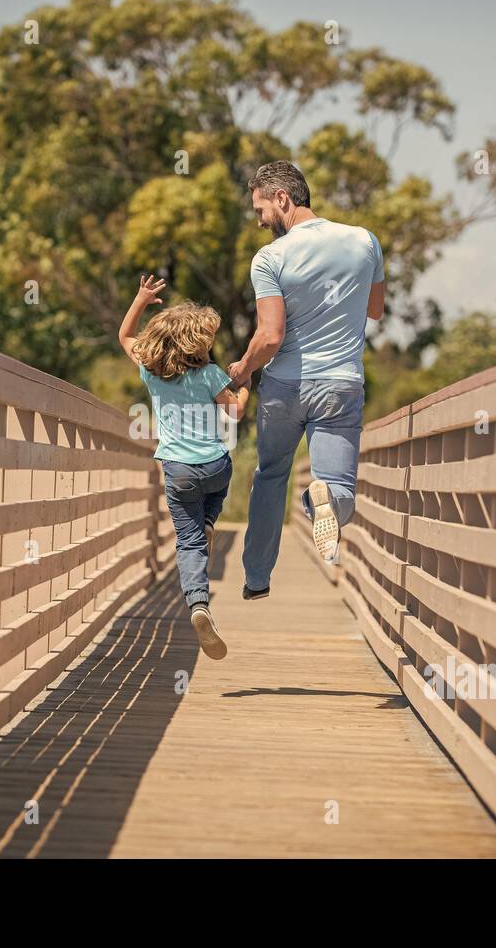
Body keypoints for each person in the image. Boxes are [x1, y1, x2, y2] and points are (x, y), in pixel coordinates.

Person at [226, 161, 386, 599]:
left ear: (283, 198)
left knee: (271, 474)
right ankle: (325, 500)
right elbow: (375, 311)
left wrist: (243, 368)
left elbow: (271, 335)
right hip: (339, 383)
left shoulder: (270, 258)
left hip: (283, 387)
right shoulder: (365, 242)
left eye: (260, 210)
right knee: (341, 492)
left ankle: (257, 579)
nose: (260, 222)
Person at [119, 274, 250, 660]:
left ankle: (198, 604)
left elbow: (125, 336)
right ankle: (211, 518)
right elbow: (237, 412)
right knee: (223, 475)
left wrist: (141, 299)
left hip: (176, 470)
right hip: (213, 466)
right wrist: (244, 384)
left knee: (189, 541)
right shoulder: (209, 375)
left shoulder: (150, 371)